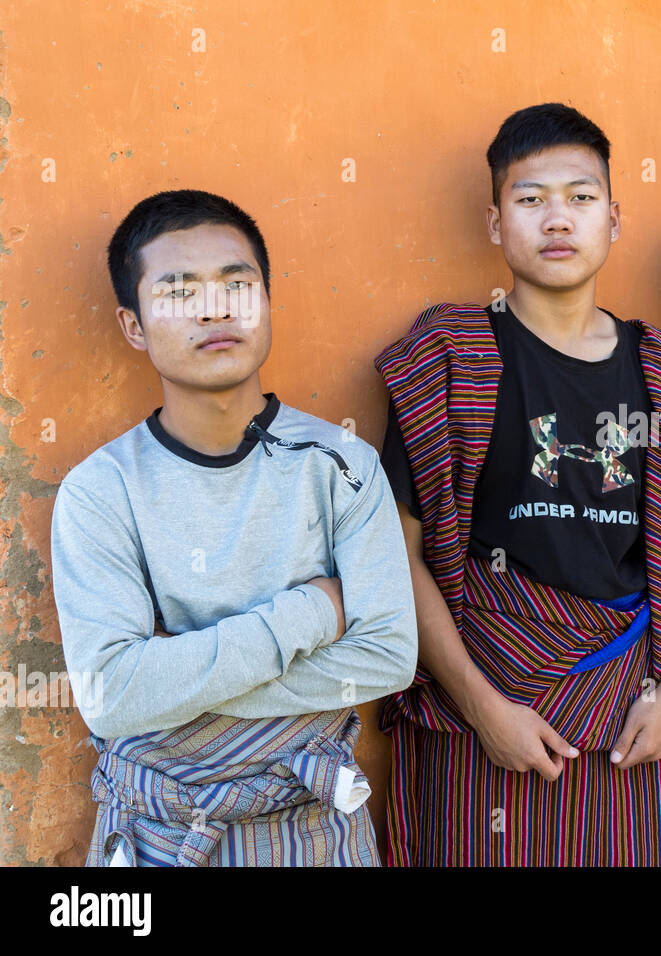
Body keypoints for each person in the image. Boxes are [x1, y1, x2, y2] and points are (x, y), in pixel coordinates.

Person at [376, 103, 661, 866]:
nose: (558, 219)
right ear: (496, 222)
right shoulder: (451, 360)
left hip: (628, 706)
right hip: (487, 698)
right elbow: (395, 556)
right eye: (530, 199)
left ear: (614, 218)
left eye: (581, 196)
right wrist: (482, 706)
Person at [49, 189, 418, 866]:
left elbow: (388, 658)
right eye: (179, 291)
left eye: (238, 285)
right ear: (133, 325)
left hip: (313, 833)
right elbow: (112, 696)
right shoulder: (101, 492)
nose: (216, 309)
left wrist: (174, 683)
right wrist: (310, 611)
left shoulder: (341, 466)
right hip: (158, 832)